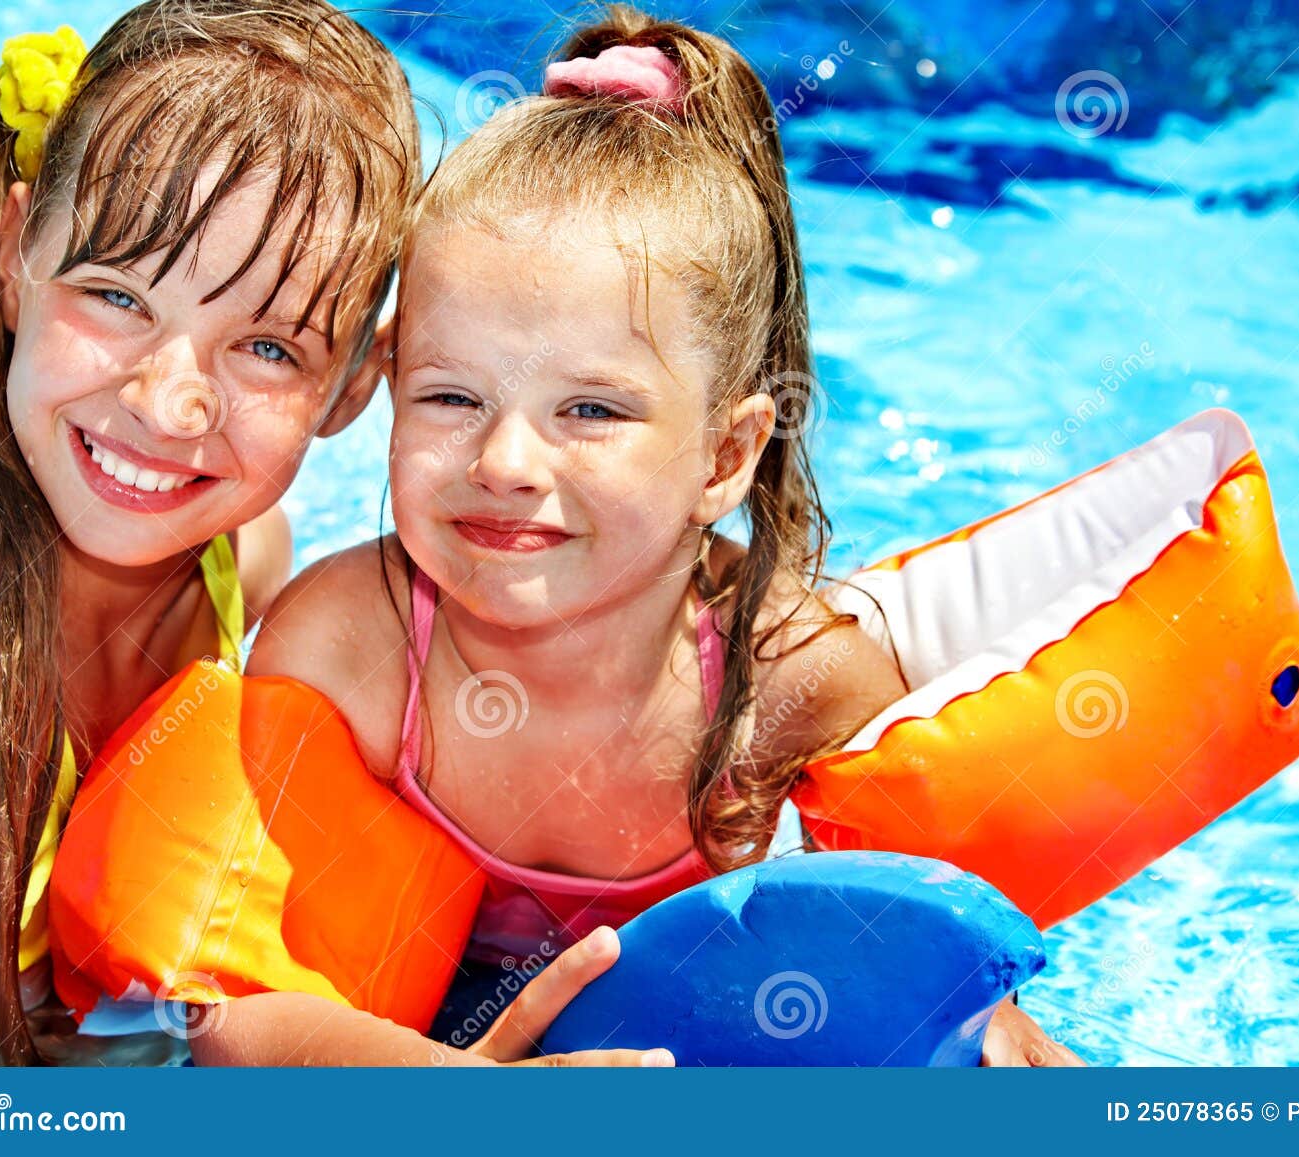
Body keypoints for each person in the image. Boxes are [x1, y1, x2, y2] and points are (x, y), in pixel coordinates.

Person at [218, 6, 1081, 1067]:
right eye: (451, 397)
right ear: (388, 385)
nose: (505, 462)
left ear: (724, 457)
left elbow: (920, 938)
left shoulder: (792, 683)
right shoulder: (347, 647)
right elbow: (236, 1020)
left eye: (591, 411)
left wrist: (978, 1017)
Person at [0, 0, 418, 1066]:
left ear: (351, 387)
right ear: (16, 252)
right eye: (115, 294)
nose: (168, 402)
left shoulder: (244, 562)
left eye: (268, 349)